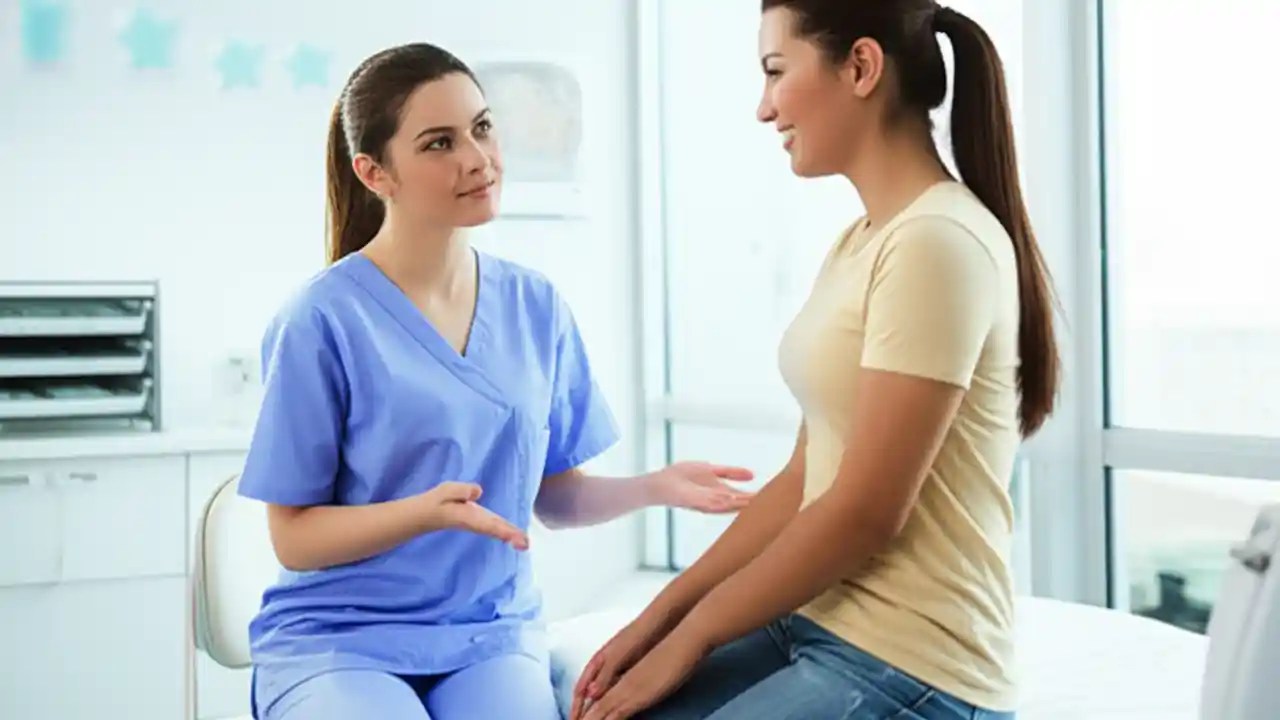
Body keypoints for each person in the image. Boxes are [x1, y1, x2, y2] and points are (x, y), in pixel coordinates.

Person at [236, 42, 757, 720]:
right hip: (340, 639)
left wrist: (655, 486)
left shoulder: (534, 306)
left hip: (487, 634)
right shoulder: (321, 319)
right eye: (439, 143)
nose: (478, 158)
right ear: (374, 173)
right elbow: (294, 539)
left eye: (482, 127)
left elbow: (554, 498)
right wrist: (421, 514)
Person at [573, 1, 1059, 719]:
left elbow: (864, 513)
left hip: (914, 664)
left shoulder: (937, 242)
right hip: (814, 621)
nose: (764, 108)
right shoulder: (866, 239)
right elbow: (807, 477)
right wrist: (663, 617)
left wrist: (695, 637)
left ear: (860, 67)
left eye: (776, 72)